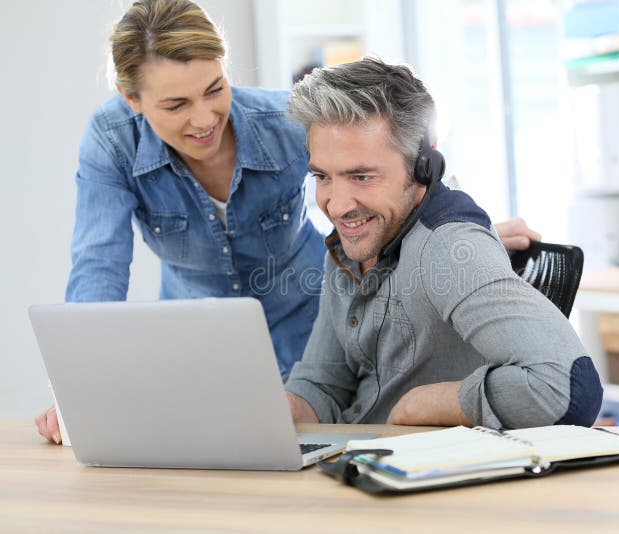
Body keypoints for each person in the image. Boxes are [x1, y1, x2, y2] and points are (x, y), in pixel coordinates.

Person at [34, 0, 541, 443]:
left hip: (309, 331)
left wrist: (455, 232)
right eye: (175, 104)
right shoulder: (112, 142)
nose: (205, 118)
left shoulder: (280, 122)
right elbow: (98, 265)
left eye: (214, 88)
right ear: (132, 100)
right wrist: (79, 388)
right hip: (201, 343)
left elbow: (388, 169)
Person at [283, 58, 603, 429]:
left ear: (423, 165)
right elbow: (327, 383)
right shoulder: (353, 243)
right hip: (352, 464)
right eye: (322, 176)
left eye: (361, 176)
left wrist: (423, 405)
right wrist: (283, 407)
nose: (336, 206)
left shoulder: (450, 249)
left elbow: (568, 387)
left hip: (417, 476)